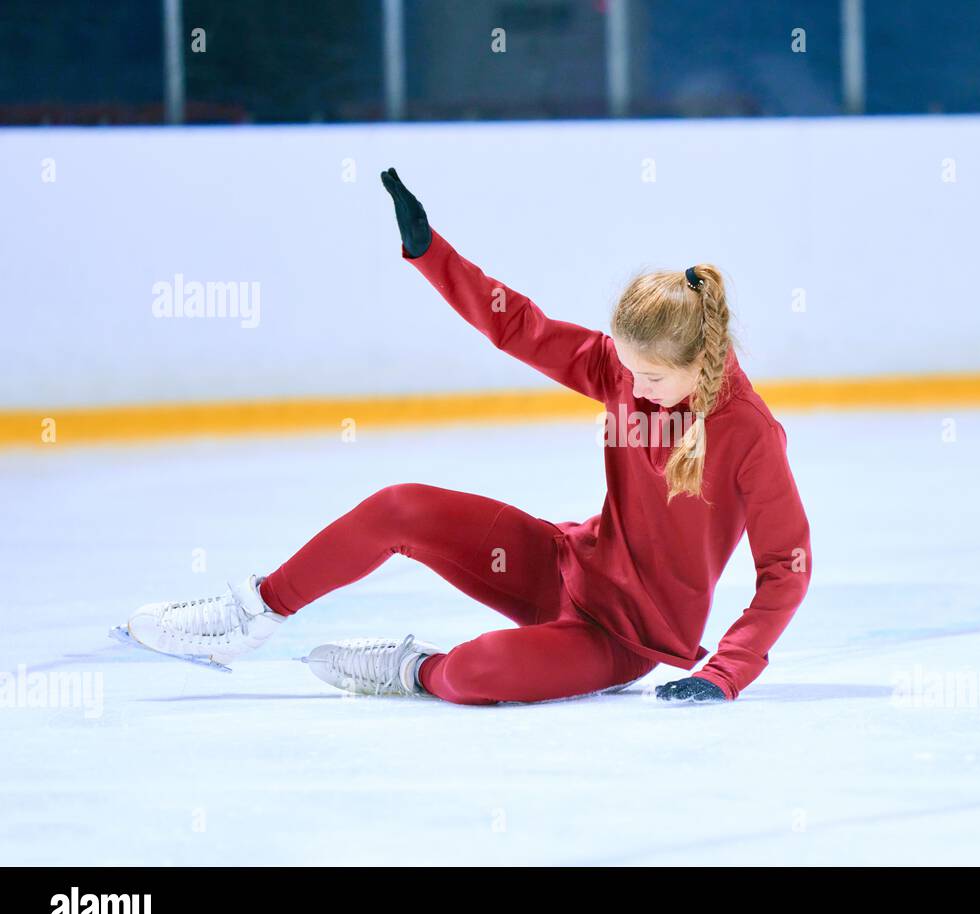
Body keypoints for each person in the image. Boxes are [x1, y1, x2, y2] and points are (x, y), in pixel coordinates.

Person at [122, 168, 812, 706]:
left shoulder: (748, 434)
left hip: (625, 637)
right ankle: (253, 612)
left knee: (478, 672)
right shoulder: (624, 369)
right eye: (625, 368)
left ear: (700, 361)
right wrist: (430, 253)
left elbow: (787, 568)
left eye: (650, 377)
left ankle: (406, 668)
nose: (630, 385)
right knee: (401, 505)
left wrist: (726, 671)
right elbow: (521, 327)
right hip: (564, 564)